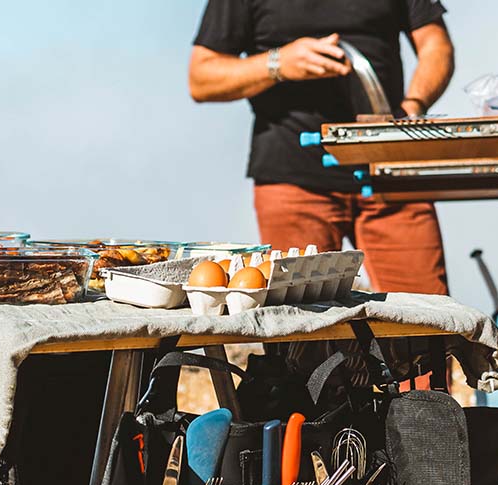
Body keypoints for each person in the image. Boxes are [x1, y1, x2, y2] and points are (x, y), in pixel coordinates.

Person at [189, 1, 455, 296]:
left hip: (390, 174)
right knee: (298, 327)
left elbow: (435, 44)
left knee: (428, 321)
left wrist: (412, 107)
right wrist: (277, 64)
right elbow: (201, 78)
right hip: (293, 180)